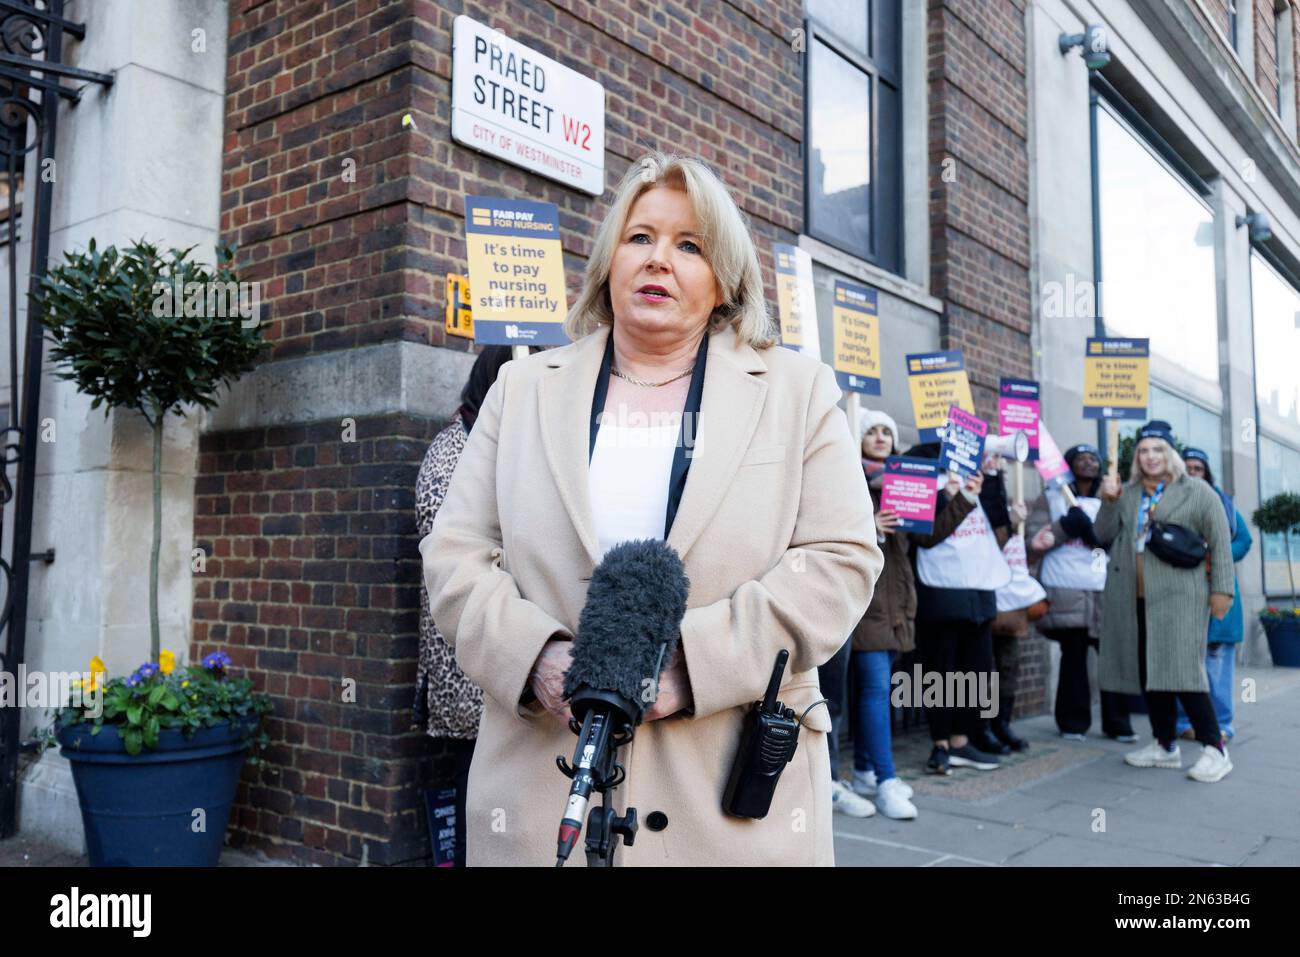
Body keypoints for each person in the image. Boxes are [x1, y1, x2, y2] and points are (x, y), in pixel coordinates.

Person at [421, 151, 884, 866]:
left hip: (730, 810)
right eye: (640, 237)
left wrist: (695, 665)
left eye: (689, 245)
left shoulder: (798, 392)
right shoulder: (522, 389)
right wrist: (536, 656)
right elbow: (454, 556)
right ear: (610, 259)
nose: (658, 260)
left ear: (725, 276)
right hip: (542, 791)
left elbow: (842, 559)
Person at [414, 345, 533, 866]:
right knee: (478, 804)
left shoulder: (497, 446)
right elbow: (456, 559)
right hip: (470, 660)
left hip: (502, 660)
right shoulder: (453, 454)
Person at [845, 410, 977, 817]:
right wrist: (871, 525)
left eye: (887, 430)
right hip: (865, 604)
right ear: (858, 438)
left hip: (898, 605)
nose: (881, 437)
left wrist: (963, 498)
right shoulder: (847, 479)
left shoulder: (905, 481)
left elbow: (927, 535)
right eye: (872, 431)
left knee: (874, 691)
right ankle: (885, 780)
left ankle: (866, 770)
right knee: (874, 690)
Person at [1094, 421, 1235, 783]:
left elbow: (1220, 540)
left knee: (1185, 672)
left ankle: (1214, 749)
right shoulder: (1126, 493)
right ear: (1136, 457)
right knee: (1152, 672)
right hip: (1134, 598)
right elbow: (1102, 534)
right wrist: (1107, 502)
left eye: (1158, 449)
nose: (1150, 457)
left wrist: (1222, 591)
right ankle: (1164, 744)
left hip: (1181, 597)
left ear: (1170, 453)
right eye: (1143, 450)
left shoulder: (1196, 491)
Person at [909, 441, 1023, 774]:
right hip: (941, 591)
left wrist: (992, 477)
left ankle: (961, 741)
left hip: (978, 589)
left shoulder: (977, 471)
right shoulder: (922, 463)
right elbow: (923, 534)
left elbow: (997, 522)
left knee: (975, 671)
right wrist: (956, 496)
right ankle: (940, 743)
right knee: (939, 672)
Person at [1025, 443, 1136, 743]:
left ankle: (1118, 723)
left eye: (1093, 458)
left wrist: (1094, 531)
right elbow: (1033, 542)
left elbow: (1122, 539)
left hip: (1104, 588)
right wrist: (1064, 527)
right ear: (1068, 464)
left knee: (1111, 658)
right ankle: (1072, 723)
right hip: (1066, 588)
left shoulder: (1113, 499)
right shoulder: (1050, 499)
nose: (1088, 463)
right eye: (1081, 458)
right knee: (1073, 657)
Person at [1177, 448, 1252, 742]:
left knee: (1217, 662)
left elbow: (1244, 540)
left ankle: (1222, 725)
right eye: (1188, 467)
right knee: (1183, 662)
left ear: (1206, 473)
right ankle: (1185, 722)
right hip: (1183, 594)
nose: (1193, 472)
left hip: (1217, 593)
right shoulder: (1169, 500)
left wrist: (1215, 555)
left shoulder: (1225, 504)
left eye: (1199, 468)